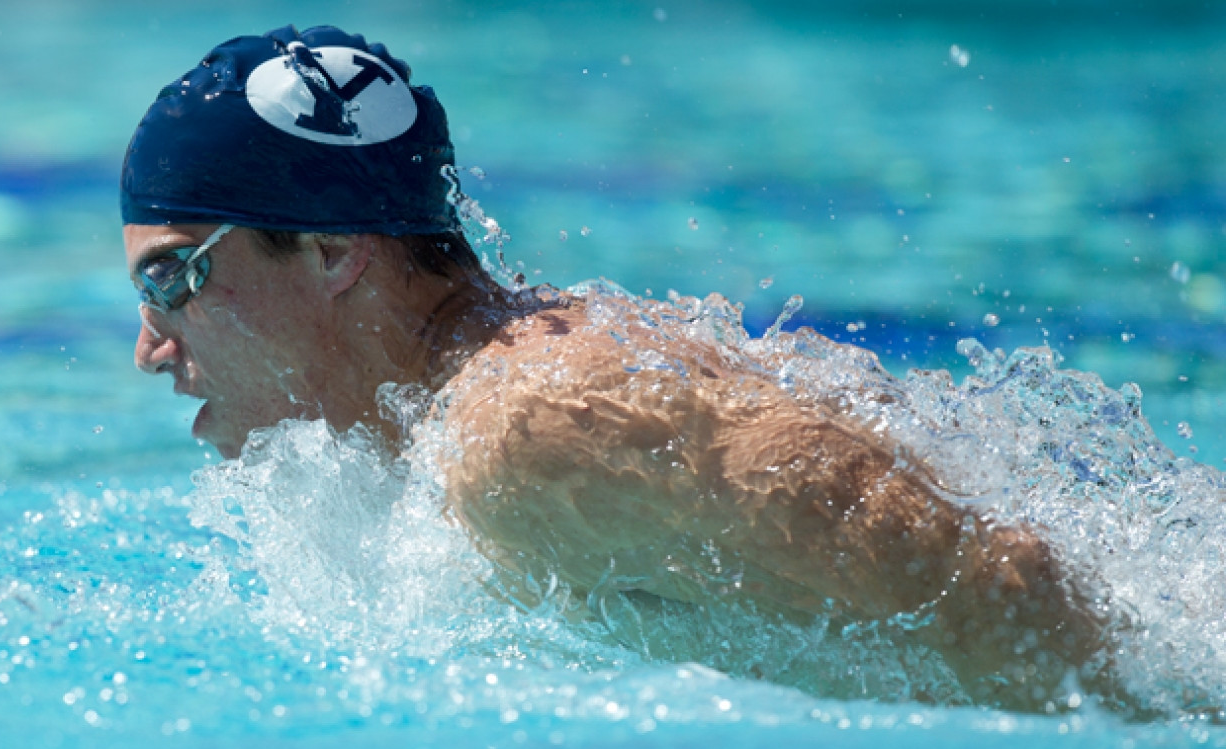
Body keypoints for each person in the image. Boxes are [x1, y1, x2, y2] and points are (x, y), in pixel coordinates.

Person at [121, 25, 1128, 713]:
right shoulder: (473, 410)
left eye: (171, 276)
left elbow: (1001, 588)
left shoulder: (536, 424)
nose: (150, 346)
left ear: (333, 252)